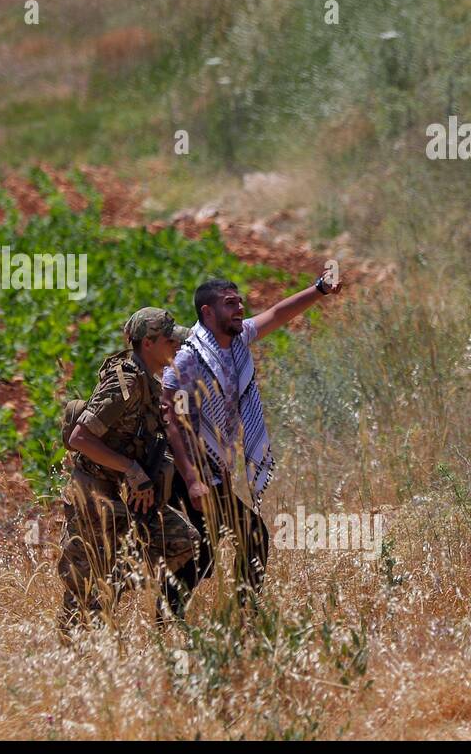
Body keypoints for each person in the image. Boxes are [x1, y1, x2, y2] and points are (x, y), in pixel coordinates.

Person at [162, 273, 343, 602]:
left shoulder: (236, 341)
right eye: (230, 304)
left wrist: (319, 290)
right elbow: (170, 419)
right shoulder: (190, 358)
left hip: (214, 468)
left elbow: (276, 314)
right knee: (251, 535)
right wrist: (191, 479)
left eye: (240, 302)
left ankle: (171, 618)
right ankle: (242, 614)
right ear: (207, 313)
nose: (240, 308)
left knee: (204, 554)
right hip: (192, 467)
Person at [57, 308, 199, 636]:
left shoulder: (149, 382)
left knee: (183, 542)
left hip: (121, 494)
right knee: (86, 589)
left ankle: (147, 617)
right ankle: (73, 654)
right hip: (93, 494)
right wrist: (132, 470)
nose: (176, 346)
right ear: (148, 343)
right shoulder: (125, 381)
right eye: (169, 340)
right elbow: (80, 438)